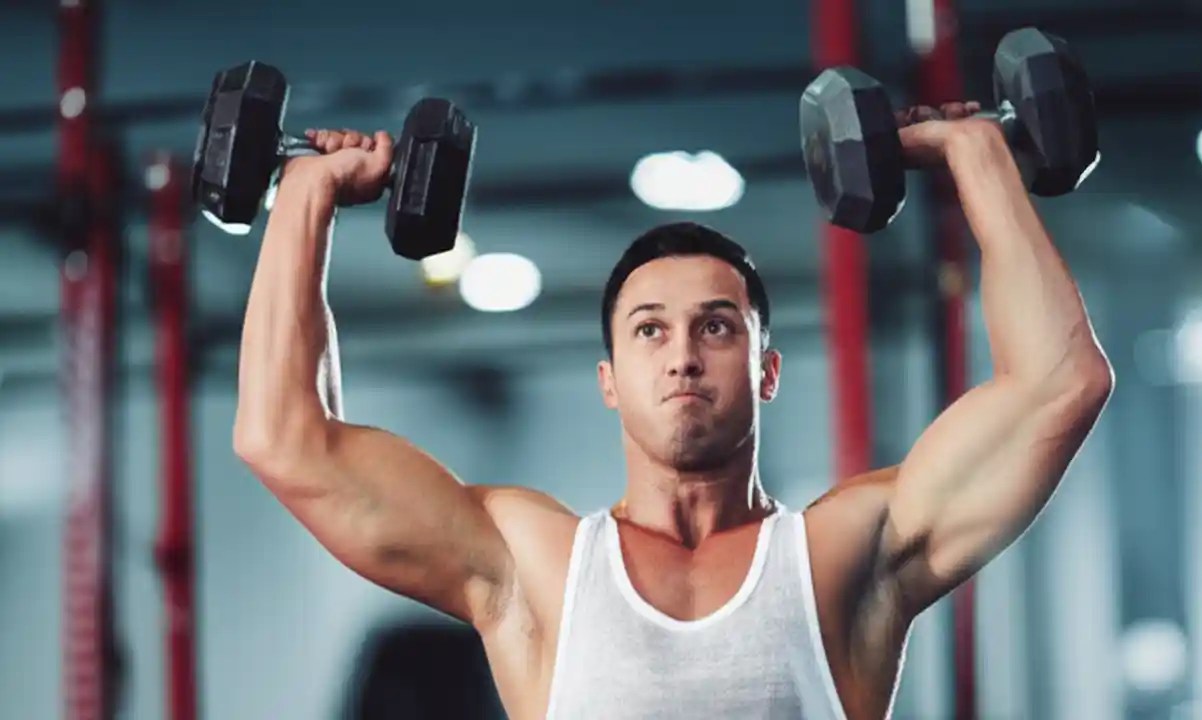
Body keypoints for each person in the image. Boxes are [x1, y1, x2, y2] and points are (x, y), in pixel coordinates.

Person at [232, 101, 1114, 719]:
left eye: (716, 327)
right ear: (610, 378)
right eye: (649, 331)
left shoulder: (845, 557)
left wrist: (978, 156)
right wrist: (305, 196)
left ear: (767, 370)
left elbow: (1060, 383)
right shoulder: (531, 568)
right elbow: (286, 439)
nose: (684, 353)